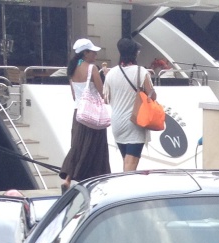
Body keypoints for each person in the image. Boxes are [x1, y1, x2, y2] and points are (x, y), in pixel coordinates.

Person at [58, 38, 110, 191]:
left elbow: (74, 95)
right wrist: (105, 76)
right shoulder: (92, 68)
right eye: (92, 52)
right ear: (85, 53)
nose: (95, 54)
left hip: (78, 112)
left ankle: (67, 179)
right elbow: (102, 93)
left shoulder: (72, 69)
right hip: (92, 114)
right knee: (96, 147)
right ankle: (95, 181)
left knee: (77, 145)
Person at [105, 37, 156, 172]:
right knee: (131, 164)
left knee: (127, 162)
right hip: (134, 122)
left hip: (117, 122)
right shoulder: (141, 72)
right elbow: (153, 96)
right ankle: (126, 190)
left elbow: (107, 99)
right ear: (134, 53)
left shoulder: (111, 73)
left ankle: (127, 187)